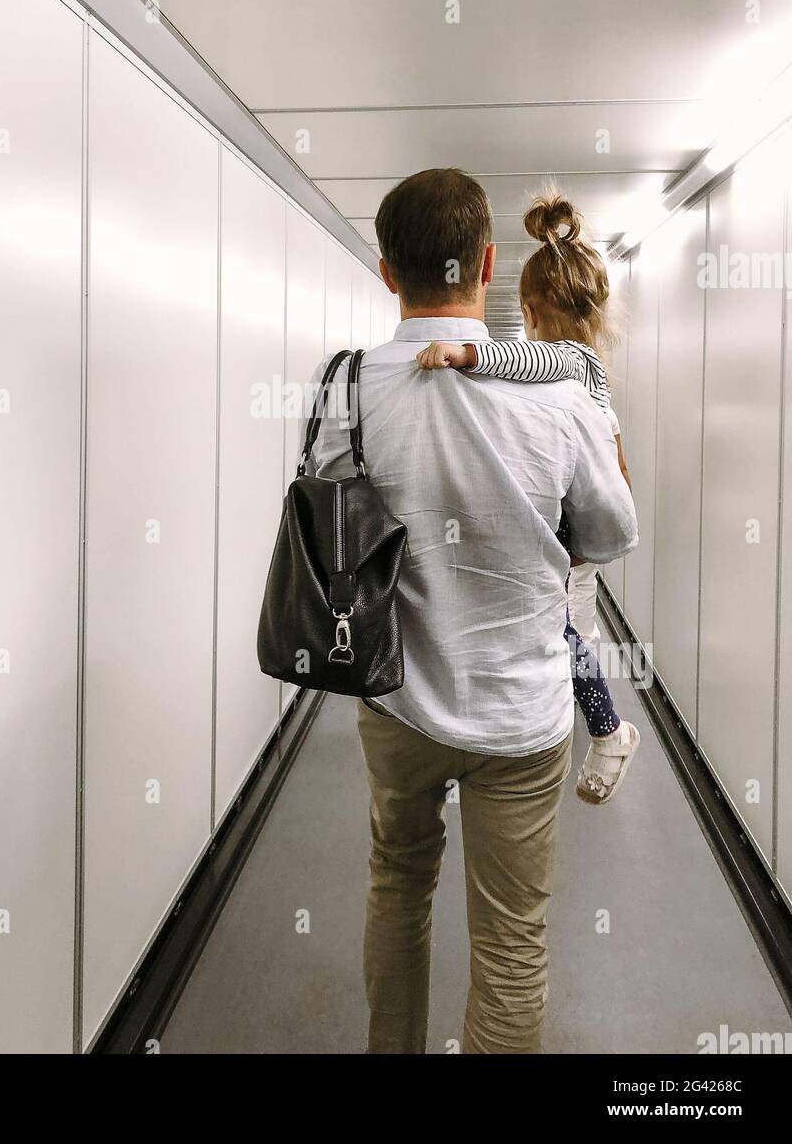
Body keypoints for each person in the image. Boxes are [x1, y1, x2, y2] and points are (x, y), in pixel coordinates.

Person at [303, 169, 637, 1054]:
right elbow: (609, 535)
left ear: (385, 270)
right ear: (486, 266)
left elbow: (332, 527)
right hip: (521, 718)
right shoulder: (562, 393)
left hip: (397, 700)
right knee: (510, 943)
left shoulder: (345, 389)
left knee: (398, 887)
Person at [414, 194, 639, 806]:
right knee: (571, 639)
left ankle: (608, 730)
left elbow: (527, 359)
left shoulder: (565, 360)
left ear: (529, 307)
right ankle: (597, 729)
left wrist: (469, 354)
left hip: (568, 543)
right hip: (579, 539)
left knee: (564, 640)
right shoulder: (592, 367)